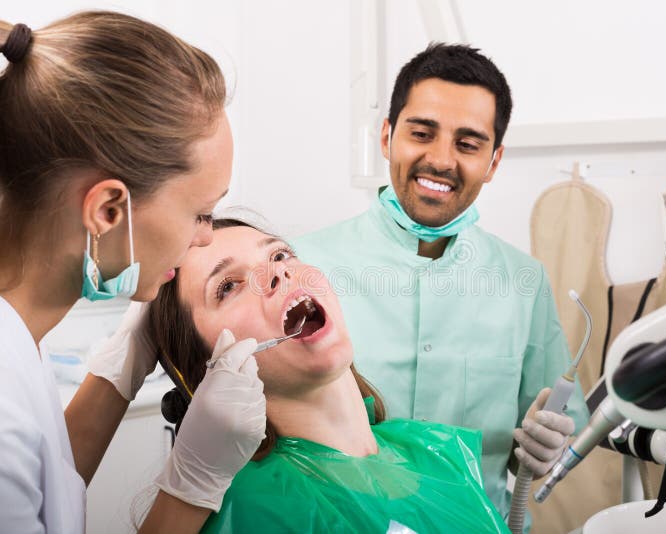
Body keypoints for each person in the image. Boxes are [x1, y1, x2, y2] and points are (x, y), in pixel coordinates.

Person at [292, 43, 590, 519]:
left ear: (493, 162)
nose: (441, 160)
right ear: (387, 137)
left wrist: (545, 448)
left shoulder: (523, 282)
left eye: (468, 144)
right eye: (421, 133)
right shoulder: (304, 266)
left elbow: (544, 435)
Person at [0, 12, 265, 533]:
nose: (205, 237)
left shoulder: (20, 335)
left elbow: (48, 487)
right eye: (201, 213)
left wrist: (116, 376)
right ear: (108, 212)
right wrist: (192, 486)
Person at [146, 217, 511, 533]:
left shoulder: (435, 452)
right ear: (207, 370)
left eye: (279, 255)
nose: (277, 272)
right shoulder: (259, 508)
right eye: (228, 286)